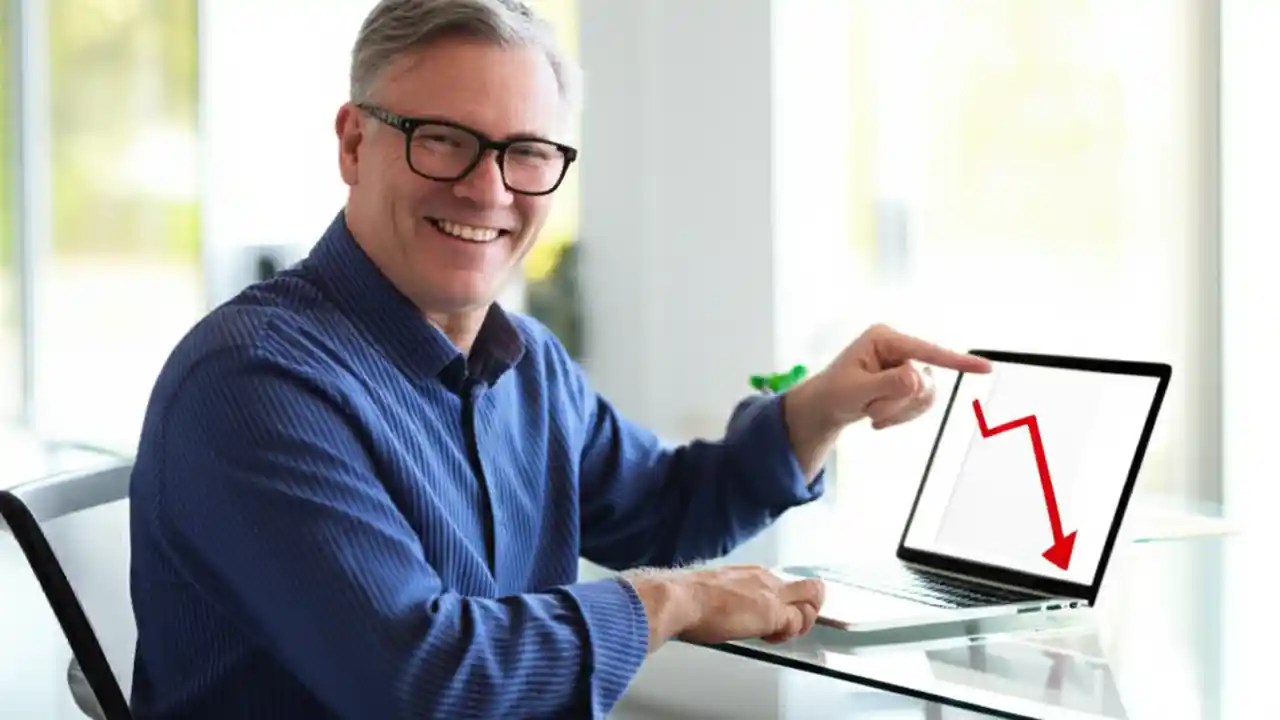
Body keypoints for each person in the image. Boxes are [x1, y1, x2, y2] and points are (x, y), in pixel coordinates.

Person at [127, 0, 992, 718]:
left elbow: (662, 508)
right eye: (442, 138)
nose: (488, 188)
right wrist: (672, 601)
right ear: (355, 144)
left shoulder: (526, 361)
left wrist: (817, 411)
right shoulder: (253, 383)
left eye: (527, 152)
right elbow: (422, 682)